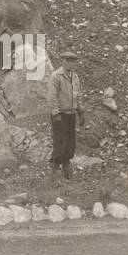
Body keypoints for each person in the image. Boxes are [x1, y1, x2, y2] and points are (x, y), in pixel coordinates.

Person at [47, 51, 83, 179]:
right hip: (60, 114)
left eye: (73, 61)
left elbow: (77, 96)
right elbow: (52, 97)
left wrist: (80, 112)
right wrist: (56, 114)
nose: (70, 63)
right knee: (59, 141)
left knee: (70, 142)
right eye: (68, 60)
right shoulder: (56, 76)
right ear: (62, 61)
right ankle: (54, 169)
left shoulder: (75, 78)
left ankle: (66, 166)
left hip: (71, 114)